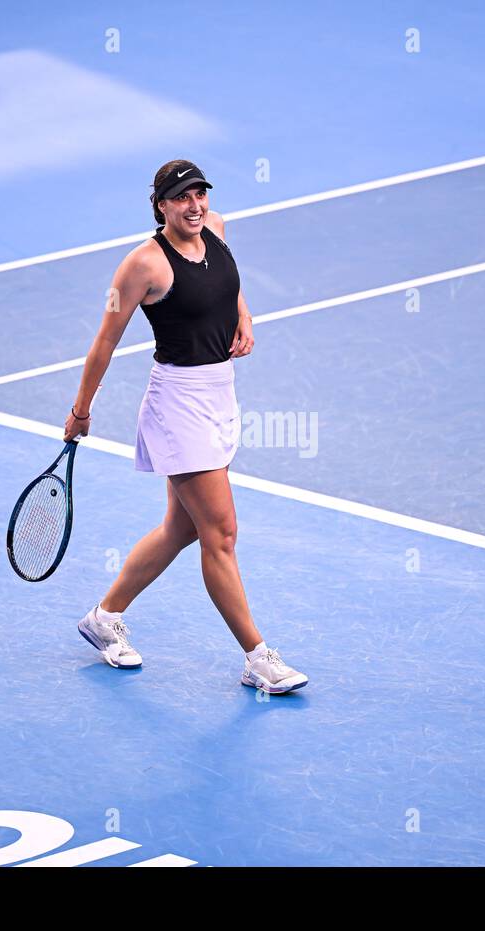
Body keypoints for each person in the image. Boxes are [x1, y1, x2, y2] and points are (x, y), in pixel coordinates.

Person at [62, 160, 308, 694]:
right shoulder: (142, 266)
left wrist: (243, 315)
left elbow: (226, 283)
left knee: (182, 528)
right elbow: (104, 342)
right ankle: (257, 657)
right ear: (160, 206)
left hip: (221, 394)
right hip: (179, 404)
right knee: (220, 534)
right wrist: (81, 411)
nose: (194, 205)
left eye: (199, 194)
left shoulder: (215, 228)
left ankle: (103, 618)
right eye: (181, 198)